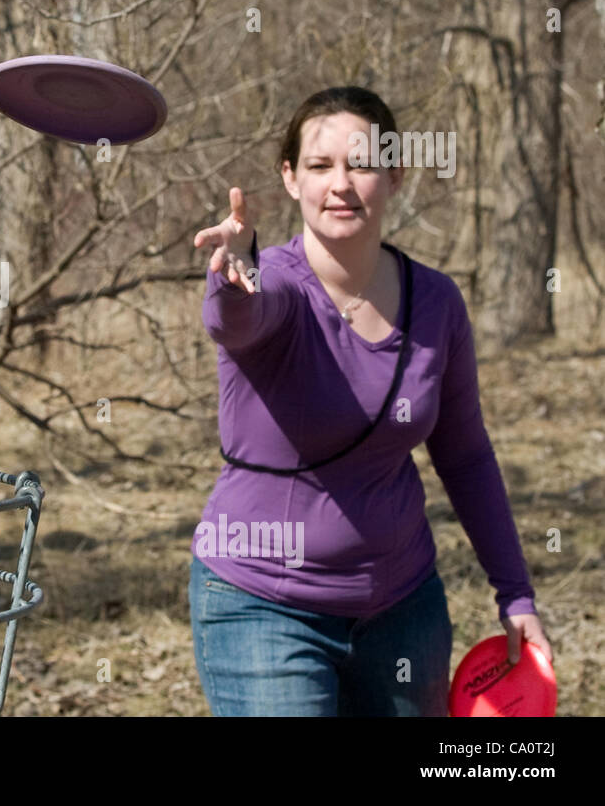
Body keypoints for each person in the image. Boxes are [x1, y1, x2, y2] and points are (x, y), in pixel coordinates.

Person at [188, 86, 552, 716]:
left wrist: (514, 595)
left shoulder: (437, 304)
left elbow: (465, 456)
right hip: (261, 605)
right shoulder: (274, 286)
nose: (341, 185)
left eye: (361, 164)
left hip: (401, 610)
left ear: (395, 175)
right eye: (320, 166)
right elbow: (238, 319)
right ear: (290, 178)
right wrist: (235, 270)